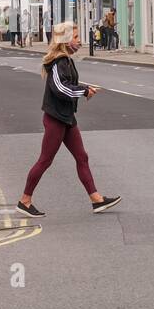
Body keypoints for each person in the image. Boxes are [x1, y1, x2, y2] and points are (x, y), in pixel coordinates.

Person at [15, 21, 121, 218]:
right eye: (76, 37)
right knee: (45, 160)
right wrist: (83, 91)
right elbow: (60, 88)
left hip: (66, 118)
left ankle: (96, 199)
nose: (79, 41)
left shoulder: (67, 61)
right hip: (55, 119)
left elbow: (68, 84)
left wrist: (85, 88)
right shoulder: (58, 62)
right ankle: (25, 200)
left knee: (82, 157)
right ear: (65, 41)